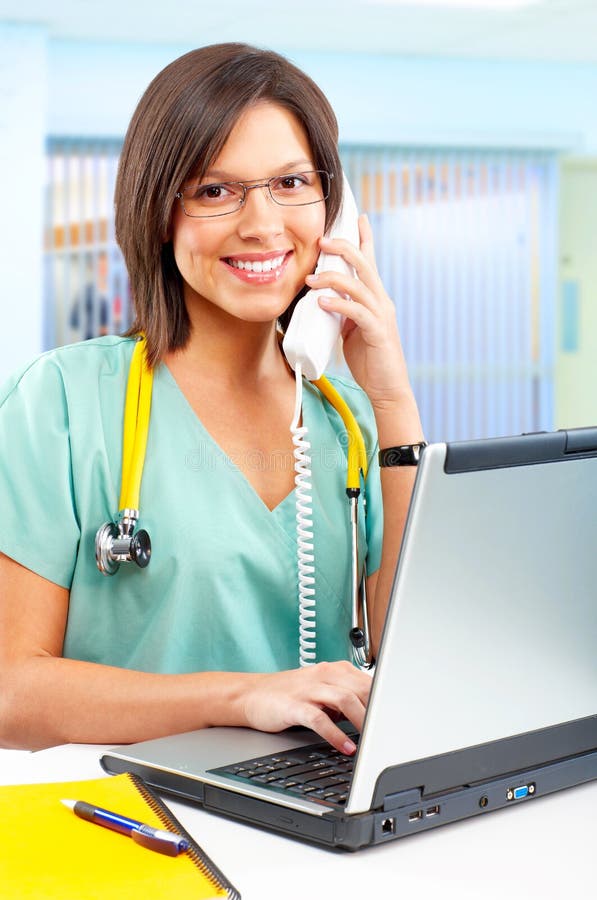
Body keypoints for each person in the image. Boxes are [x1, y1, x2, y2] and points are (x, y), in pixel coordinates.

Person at [0, 43, 424, 752]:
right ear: (157, 211)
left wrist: (393, 401)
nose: (261, 225)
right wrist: (243, 695)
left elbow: (418, 664)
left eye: (291, 182)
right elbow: (11, 691)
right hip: (126, 820)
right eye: (214, 190)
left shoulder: (349, 422)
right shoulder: (61, 405)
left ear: (335, 208)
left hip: (313, 820)